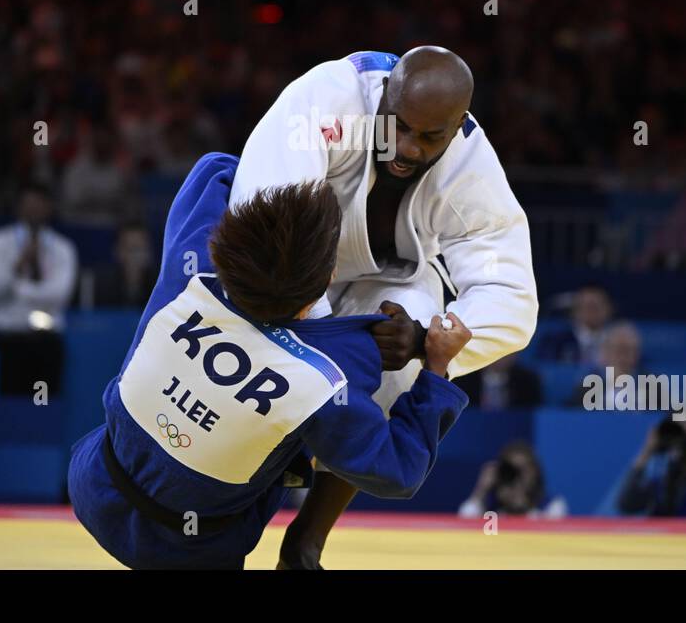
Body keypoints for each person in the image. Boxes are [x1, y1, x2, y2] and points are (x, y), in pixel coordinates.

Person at [67, 152, 470, 569]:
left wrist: (283, 177)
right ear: (327, 284)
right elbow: (399, 470)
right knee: (315, 426)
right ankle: (306, 540)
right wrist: (435, 370)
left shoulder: (190, 270)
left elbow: (212, 168)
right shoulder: (326, 375)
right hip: (193, 555)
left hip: (94, 488)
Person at [229, 47, 538, 569]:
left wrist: (421, 340)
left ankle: (306, 540)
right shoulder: (325, 100)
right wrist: (336, 352)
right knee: (260, 369)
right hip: (287, 269)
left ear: (459, 124)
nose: (409, 148)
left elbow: (513, 300)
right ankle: (216, 515)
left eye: (430, 136)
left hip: (389, 281)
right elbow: (268, 227)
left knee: (403, 368)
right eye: (398, 126)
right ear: (385, 95)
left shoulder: (471, 165)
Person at [0, 181, 78, 397]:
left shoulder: (63, 248)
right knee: (10, 411)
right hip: (9, 340)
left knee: (45, 410)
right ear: (19, 206)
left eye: (40, 203)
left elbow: (61, 295)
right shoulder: (0, 242)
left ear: (49, 207)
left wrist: (20, 289)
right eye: (29, 203)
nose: (34, 208)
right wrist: (17, 267)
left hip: (48, 343)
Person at [458, 441, 566, 518]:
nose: (517, 477)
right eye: (512, 470)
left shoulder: (552, 506)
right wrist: (481, 490)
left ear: (534, 472)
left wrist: (521, 508)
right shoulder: (489, 507)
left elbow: (547, 541)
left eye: (523, 470)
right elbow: (464, 521)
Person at [565, 321, 642, 408]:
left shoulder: (652, 388)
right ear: (605, 352)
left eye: (628, 350)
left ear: (637, 354)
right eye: (618, 350)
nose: (623, 356)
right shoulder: (587, 389)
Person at [535, 285, 612, 362]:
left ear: (608, 309)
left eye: (595, 307)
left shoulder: (618, 341)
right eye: (587, 307)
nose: (591, 313)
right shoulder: (557, 341)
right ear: (576, 311)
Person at [91, 222, 158, 308]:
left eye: (140, 249)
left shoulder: (159, 286)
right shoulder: (102, 286)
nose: (135, 256)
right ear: (117, 251)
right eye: (130, 249)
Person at [455, 352, 542, 410]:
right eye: (498, 351)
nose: (501, 356)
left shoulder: (527, 381)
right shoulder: (464, 379)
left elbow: (532, 415)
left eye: (507, 351)